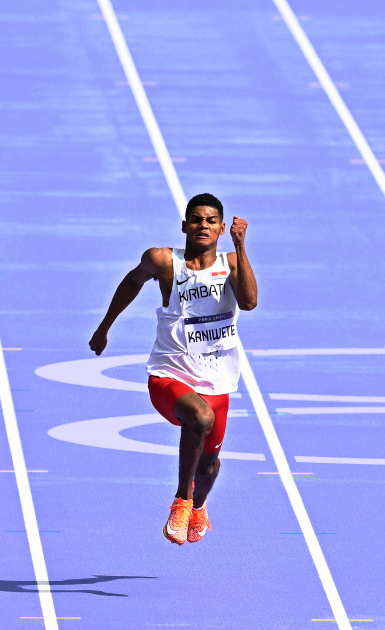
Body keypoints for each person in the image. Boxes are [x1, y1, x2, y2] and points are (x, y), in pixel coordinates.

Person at [89, 194, 256, 545]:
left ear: (222, 229)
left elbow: (250, 302)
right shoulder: (164, 261)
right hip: (169, 376)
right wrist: (105, 327)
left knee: (209, 468)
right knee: (200, 418)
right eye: (196, 219)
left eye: (211, 221)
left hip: (217, 380)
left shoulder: (230, 264)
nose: (203, 226)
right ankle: (182, 501)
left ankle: (199, 505)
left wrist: (241, 248)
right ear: (184, 226)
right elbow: (132, 282)